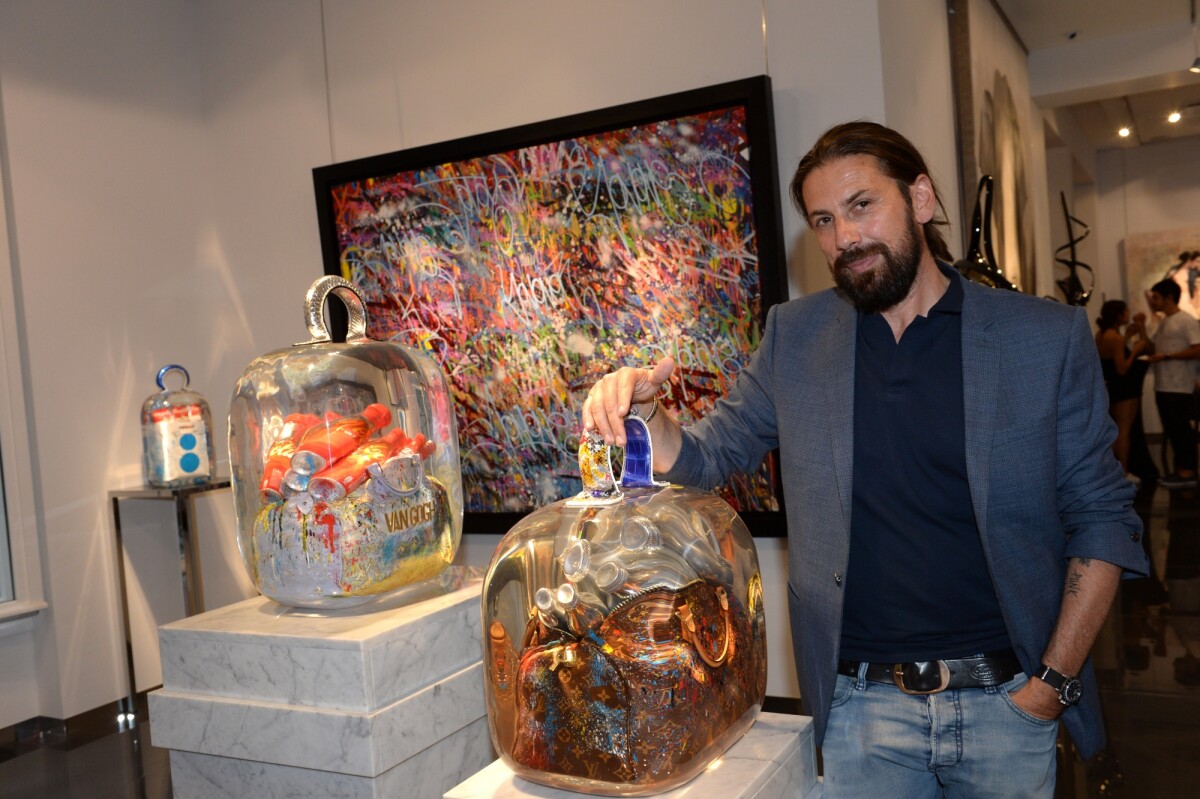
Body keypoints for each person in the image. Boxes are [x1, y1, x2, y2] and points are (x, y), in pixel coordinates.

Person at [583, 121, 1148, 797]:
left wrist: (1051, 684)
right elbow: (707, 457)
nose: (843, 237)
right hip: (861, 714)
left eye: (860, 206)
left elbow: (1102, 517)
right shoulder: (797, 338)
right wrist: (644, 411)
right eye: (823, 219)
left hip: (1006, 703)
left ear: (922, 199)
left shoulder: (1042, 338)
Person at [1144, 278, 1200, 488]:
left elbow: (1197, 349)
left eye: (1157, 297)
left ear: (1168, 297)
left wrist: (1167, 356)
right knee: (1173, 429)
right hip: (1165, 384)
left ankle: (1187, 473)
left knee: (1181, 430)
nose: (1154, 302)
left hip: (1180, 385)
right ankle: (1181, 470)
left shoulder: (1185, 320)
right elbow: (1152, 349)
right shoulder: (1165, 321)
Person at [1093, 300, 1149, 480]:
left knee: (1116, 429)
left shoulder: (1101, 335)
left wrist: (1126, 338)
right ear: (1118, 316)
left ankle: (1114, 471)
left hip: (1112, 387)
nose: (1128, 315)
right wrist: (1135, 351)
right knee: (1124, 431)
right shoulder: (1115, 338)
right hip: (1125, 388)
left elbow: (1109, 357)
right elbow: (1122, 368)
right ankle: (1123, 472)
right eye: (1125, 312)